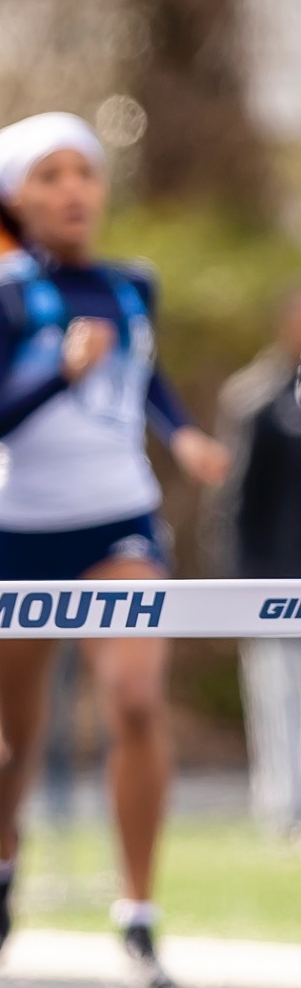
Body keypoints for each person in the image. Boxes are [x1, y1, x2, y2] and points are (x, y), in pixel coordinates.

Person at [0, 111, 228, 988]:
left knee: (137, 699)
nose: (72, 190)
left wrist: (181, 436)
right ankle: (1, 857)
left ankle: (137, 909)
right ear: (14, 196)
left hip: (119, 526)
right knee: (11, 737)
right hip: (15, 533)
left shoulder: (133, 285)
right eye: (50, 175)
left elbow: (148, 377)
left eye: (85, 172)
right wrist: (56, 373)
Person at [211, 286, 301, 840]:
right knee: (277, 694)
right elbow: (236, 502)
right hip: (274, 575)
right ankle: (284, 809)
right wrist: (238, 585)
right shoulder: (257, 397)